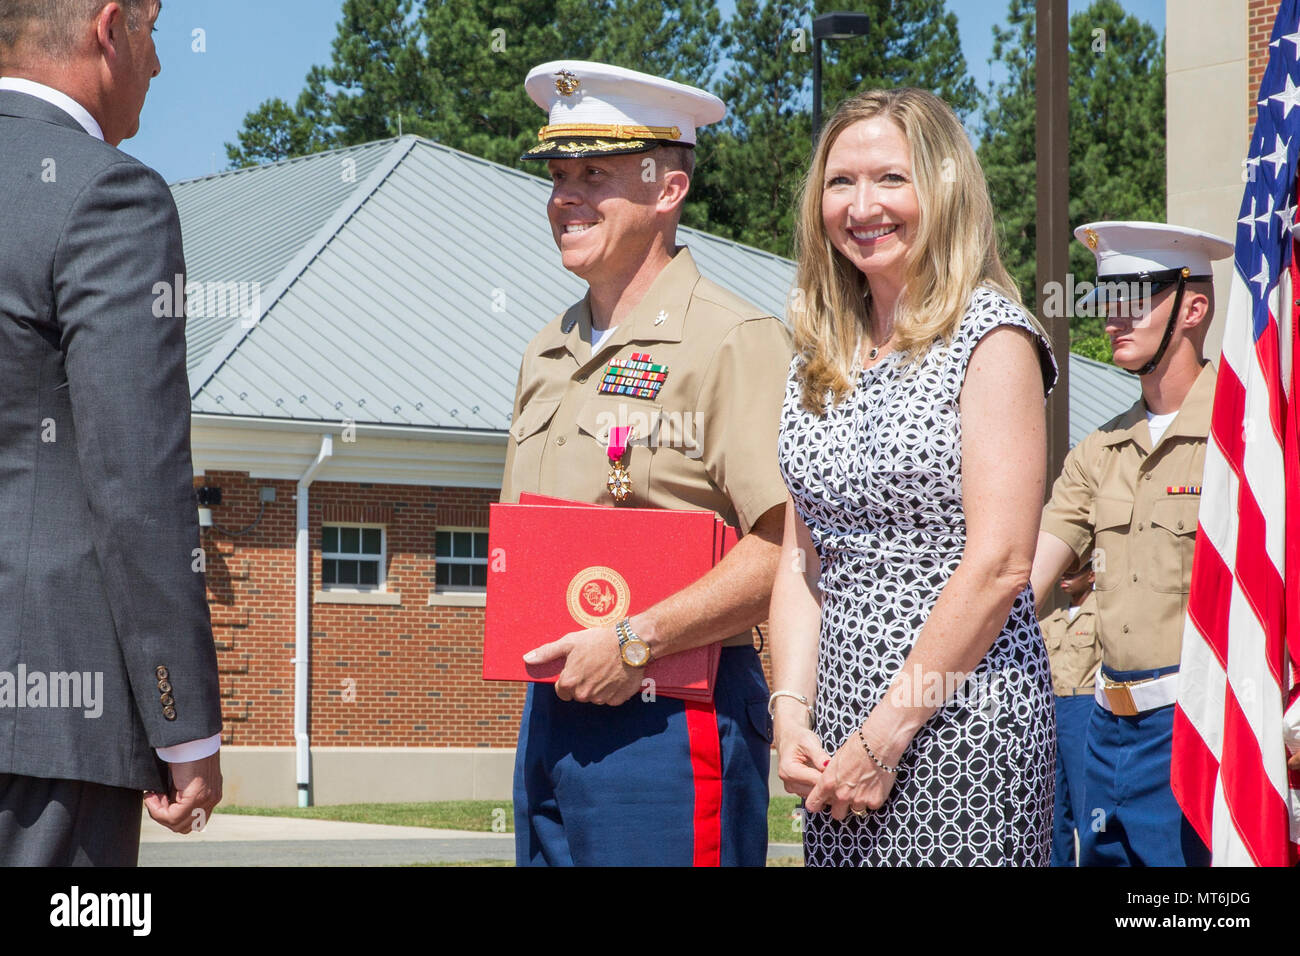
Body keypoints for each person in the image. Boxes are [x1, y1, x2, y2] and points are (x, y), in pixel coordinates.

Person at [501, 60, 792, 866]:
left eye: (595, 174)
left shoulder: (734, 339)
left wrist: (635, 643)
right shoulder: (545, 351)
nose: (566, 196)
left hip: (672, 712)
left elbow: (787, 550)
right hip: (551, 709)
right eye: (558, 174)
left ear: (668, 190)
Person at [770, 87, 1059, 866]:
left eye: (891, 179)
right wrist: (790, 713)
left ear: (945, 188)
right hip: (837, 746)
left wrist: (889, 732)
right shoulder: (816, 354)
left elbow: (1001, 564)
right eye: (841, 182)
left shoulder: (993, 337)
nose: (863, 205)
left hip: (959, 733)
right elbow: (802, 558)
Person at [0, 0, 222, 865]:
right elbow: (138, 479)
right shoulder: (107, 194)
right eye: (154, 31)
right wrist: (183, 723)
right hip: (46, 727)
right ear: (108, 28)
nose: (159, 64)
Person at [1029, 220, 1232, 867]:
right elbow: (1026, 575)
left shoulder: (1245, 433)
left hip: (1199, 733)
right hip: (1106, 728)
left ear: (1192, 306)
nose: (1112, 317)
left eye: (1135, 298)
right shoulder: (1100, 449)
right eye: (1106, 298)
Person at [1038, 559, 1100, 866]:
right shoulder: (1052, 620)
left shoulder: (1101, 615)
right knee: (1052, 804)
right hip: (1053, 709)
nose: (1065, 577)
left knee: (1086, 800)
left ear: (1091, 575)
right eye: (1062, 571)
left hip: (1084, 708)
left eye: (1073, 573)